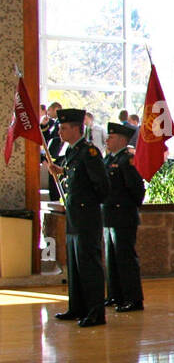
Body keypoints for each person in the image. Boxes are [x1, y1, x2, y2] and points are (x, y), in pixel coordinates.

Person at [49, 108, 109, 326]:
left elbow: (102, 185)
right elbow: (78, 177)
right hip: (74, 215)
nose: (60, 132)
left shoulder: (89, 152)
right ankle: (77, 307)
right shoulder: (73, 152)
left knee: (89, 264)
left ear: (77, 129)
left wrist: (88, 203)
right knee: (74, 264)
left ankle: (95, 311)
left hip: (86, 216)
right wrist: (60, 171)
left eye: (64, 128)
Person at [101, 121, 146, 313]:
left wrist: (127, 207)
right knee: (112, 258)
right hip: (109, 215)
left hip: (123, 215)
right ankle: (115, 295)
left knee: (125, 259)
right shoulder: (108, 159)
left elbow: (137, 189)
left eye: (111, 137)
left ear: (121, 139)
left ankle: (133, 299)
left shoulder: (127, 160)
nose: (107, 140)